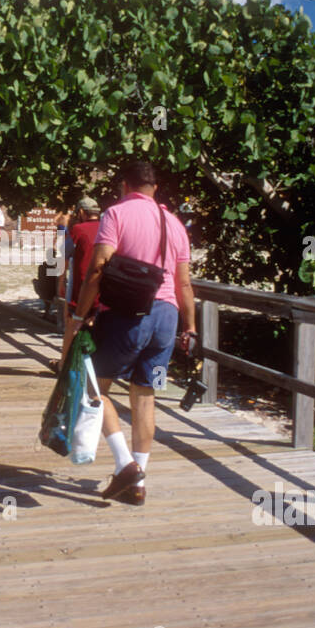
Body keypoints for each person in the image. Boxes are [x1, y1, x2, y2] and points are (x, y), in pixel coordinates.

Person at [63, 162, 195, 507]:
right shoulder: (176, 224)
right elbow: (183, 283)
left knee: (94, 387)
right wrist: (190, 326)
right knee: (146, 395)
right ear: (156, 188)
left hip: (126, 317)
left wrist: (80, 314)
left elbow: (98, 267)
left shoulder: (116, 214)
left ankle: (126, 465)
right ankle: (138, 484)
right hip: (167, 318)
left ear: (125, 185)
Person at [49, 197, 101, 371]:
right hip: (103, 289)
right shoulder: (108, 228)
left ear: (80, 213)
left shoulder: (78, 229)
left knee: (71, 323)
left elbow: (63, 257)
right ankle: (92, 366)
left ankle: (64, 365)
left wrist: (61, 282)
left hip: (81, 287)